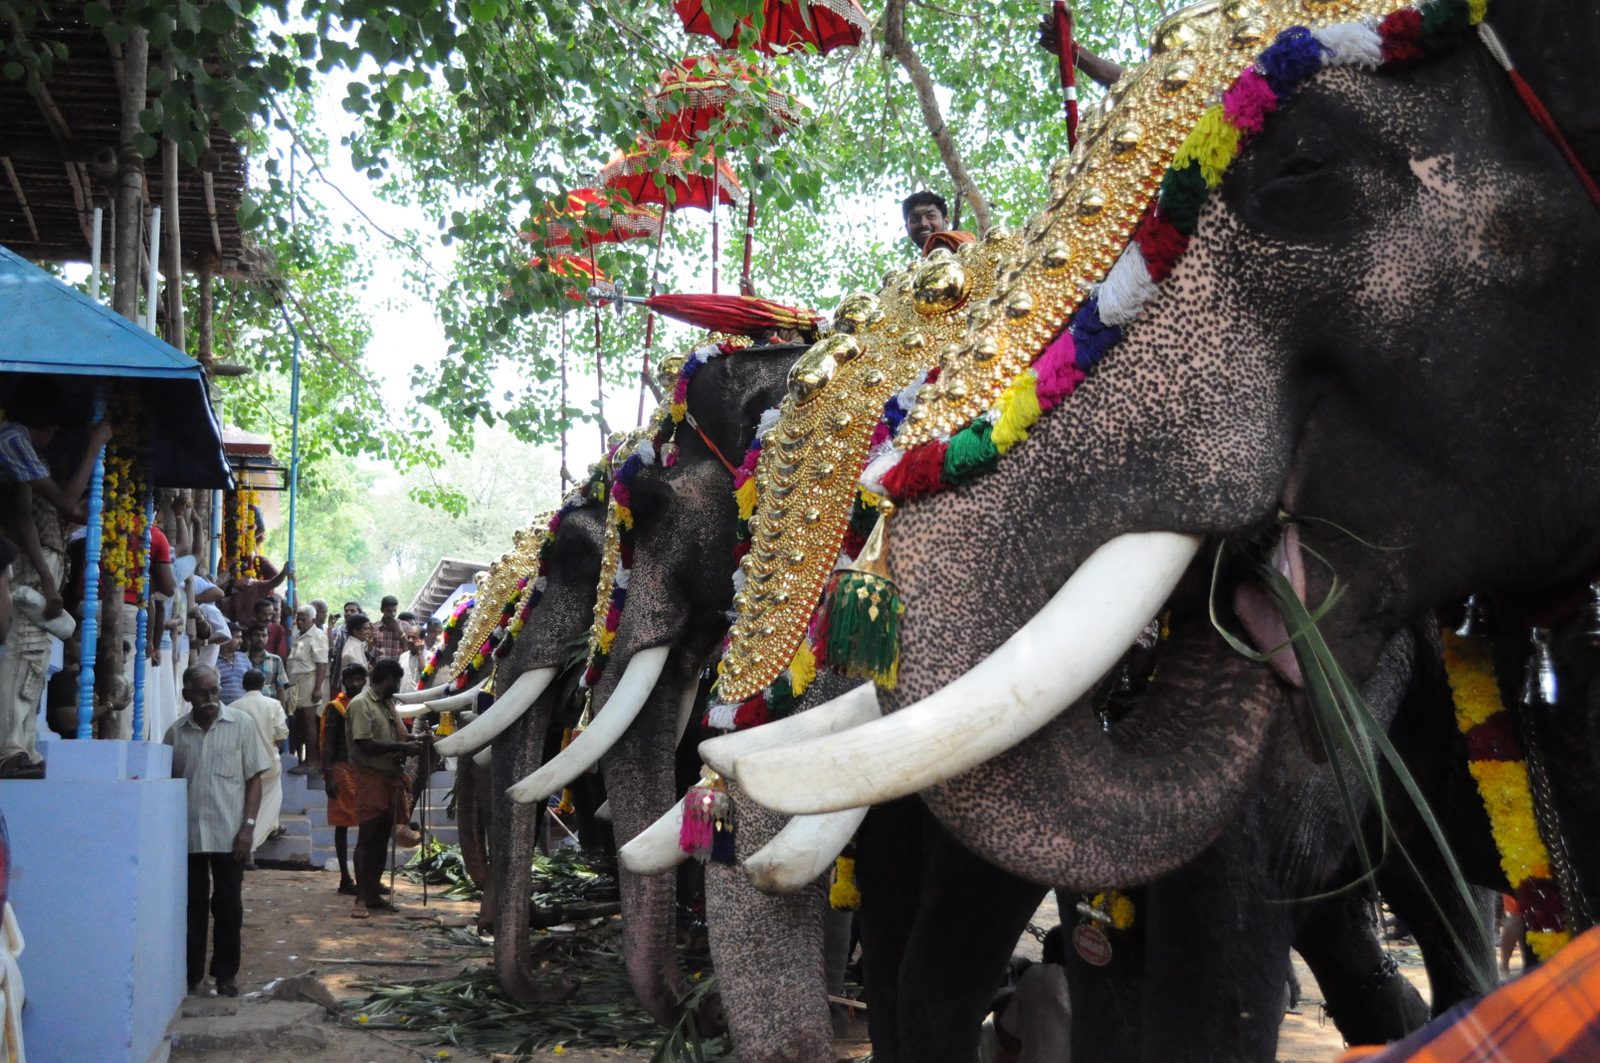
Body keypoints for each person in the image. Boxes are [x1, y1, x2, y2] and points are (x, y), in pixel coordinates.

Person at [0, 381, 112, 778]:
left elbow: (32, 513)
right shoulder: (12, 438)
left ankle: (21, 747)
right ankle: (11, 749)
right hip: (26, 569)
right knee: (23, 654)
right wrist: (96, 444)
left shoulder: (20, 450)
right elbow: (65, 507)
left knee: (33, 659)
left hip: (35, 567)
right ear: (47, 426)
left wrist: (49, 579)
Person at [164, 664, 272, 998]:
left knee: (227, 905)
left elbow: (254, 778)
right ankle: (191, 974)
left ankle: (226, 973)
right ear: (187, 696)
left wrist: (248, 828)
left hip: (230, 834)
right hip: (190, 836)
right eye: (203, 692)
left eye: (215, 691)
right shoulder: (176, 733)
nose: (211, 698)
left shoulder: (241, 724)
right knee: (191, 906)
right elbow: (169, 785)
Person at [344, 658, 423, 916]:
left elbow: (397, 736)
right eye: (396, 681)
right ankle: (360, 900)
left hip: (390, 779)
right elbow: (364, 742)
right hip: (370, 778)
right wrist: (402, 747)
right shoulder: (360, 704)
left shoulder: (388, 704)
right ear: (389, 678)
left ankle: (372, 895)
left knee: (380, 840)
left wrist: (416, 739)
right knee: (367, 838)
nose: (396, 686)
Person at [320, 662, 372, 896]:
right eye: (350, 680)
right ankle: (345, 878)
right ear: (343, 682)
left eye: (359, 679)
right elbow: (328, 743)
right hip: (341, 769)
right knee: (342, 826)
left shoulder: (368, 704)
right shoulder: (336, 707)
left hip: (363, 770)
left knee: (367, 825)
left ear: (365, 680)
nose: (355, 683)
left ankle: (366, 877)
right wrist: (328, 775)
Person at [227, 669, 287, 861]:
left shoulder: (233, 707)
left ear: (243, 685)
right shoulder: (274, 704)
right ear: (263, 685)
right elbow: (281, 735)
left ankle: (267, 832)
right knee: (269, 800)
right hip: (268, 764)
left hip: (241, 766)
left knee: (245, 806)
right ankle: (252, 848)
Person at [284, 604, 328, 775]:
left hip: (309, 682)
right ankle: (305, 760)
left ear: (313, 620)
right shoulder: (299, 635)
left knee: (308, 721)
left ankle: (312, 761)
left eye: (304, 619)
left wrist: (317, 688)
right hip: (297, 684)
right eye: (299, 619)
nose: (300, 622)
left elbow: (322, 663)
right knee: (299, 722)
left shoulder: (317, 635)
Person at [243, 622, 287, 705]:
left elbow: (280, 688)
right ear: (249, 637)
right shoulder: (241, 659)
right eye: (256, 635)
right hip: (247, 705)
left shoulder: (276, 660)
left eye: (264, 635)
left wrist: (282, 711)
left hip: (270, 706)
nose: (260, 639)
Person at [215, 623, 250, 704]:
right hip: (222, 711)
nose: (241, 641)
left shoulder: (244, 658)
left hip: (243, 710)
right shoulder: (214, 660)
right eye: (237, 637)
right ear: (226, 638)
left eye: (241, 637)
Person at [371, 595, 407, 662]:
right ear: (382, 610)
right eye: (389, 611)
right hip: (380, 669)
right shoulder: (374, 628)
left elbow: (408, 650)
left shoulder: (405, 626)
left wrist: (400, 631)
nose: (393, 614)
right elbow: (370, 652)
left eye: (394, 611)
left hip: (399, 669)